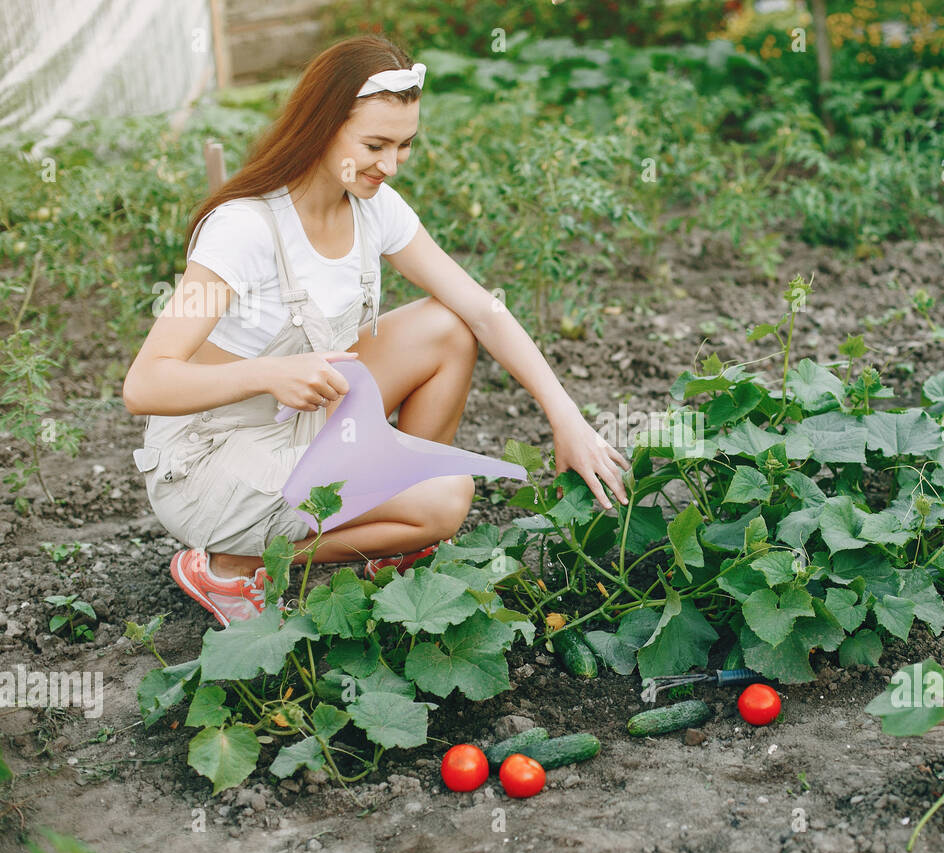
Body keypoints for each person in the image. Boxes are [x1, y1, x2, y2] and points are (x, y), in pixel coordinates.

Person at [123, 34, 630, 626]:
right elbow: (145, 385)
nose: (389, 165)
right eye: (374, 145)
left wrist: (565, 417)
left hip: (306, 416)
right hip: (217, 457)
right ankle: (231, 567)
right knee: (447, 497)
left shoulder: (374, 208)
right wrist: (268, 373)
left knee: (447, 326)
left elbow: (482, 309)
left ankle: (390, 548)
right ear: (321, 128)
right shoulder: (245, 230)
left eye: (405, 145)